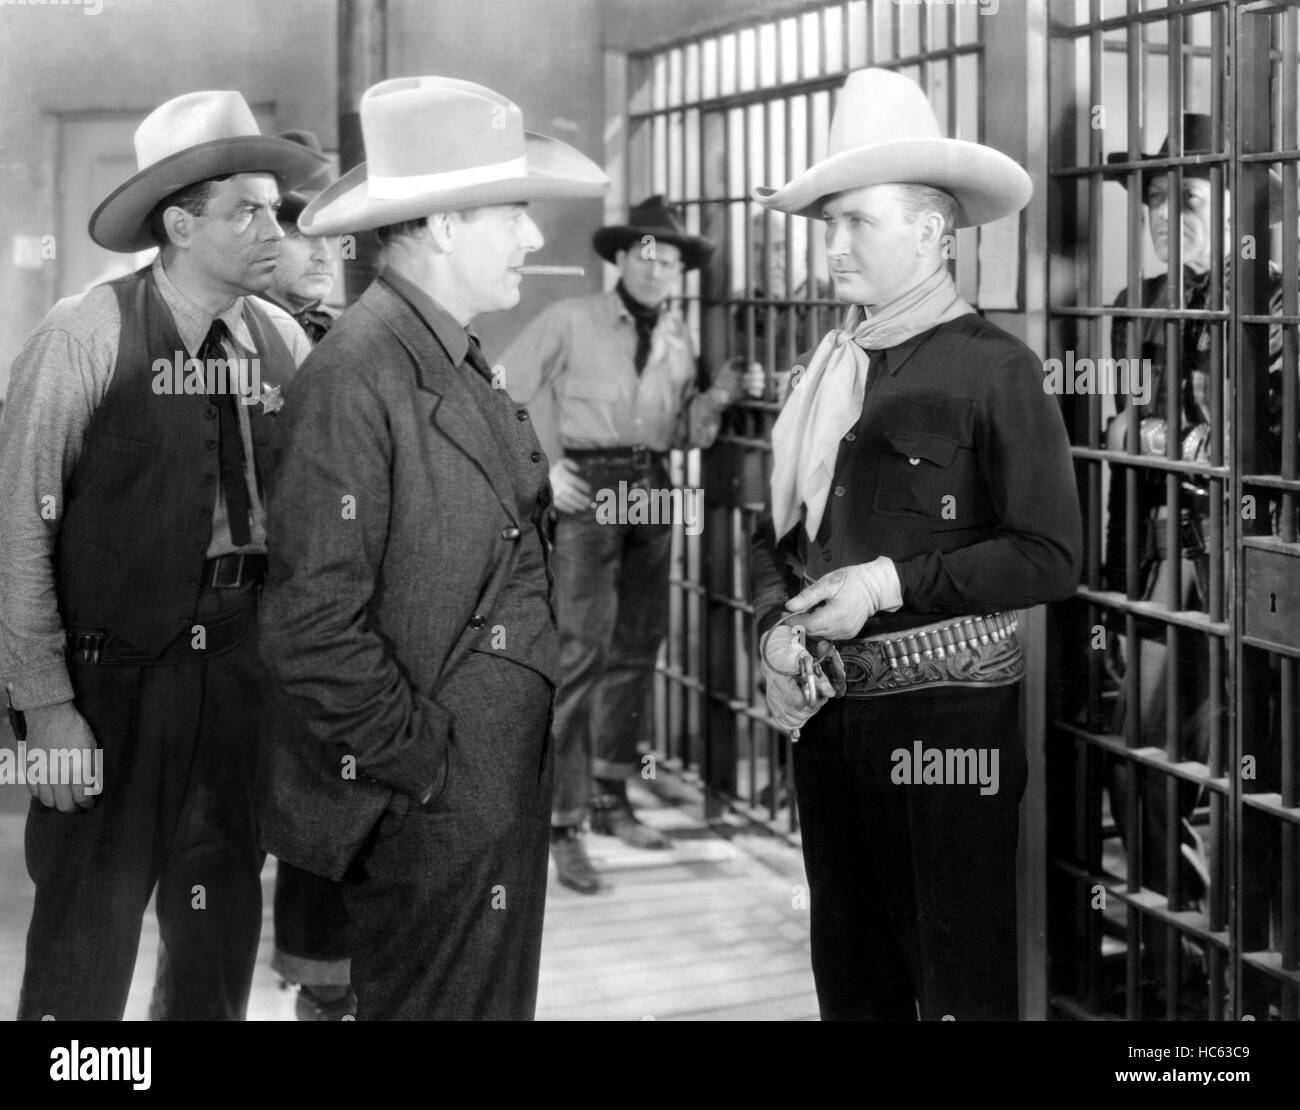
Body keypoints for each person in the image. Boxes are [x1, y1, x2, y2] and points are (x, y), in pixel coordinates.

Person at [255, 75, 609, 1020]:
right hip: (432, 808)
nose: (534, 239)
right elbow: (310, 628)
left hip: (482, 802)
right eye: (514, 213)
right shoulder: (357, 376)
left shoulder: (447, 355)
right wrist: (431, 766)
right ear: (446, 224)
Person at [749, 68, 1082, 1020]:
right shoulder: (831, 365)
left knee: (951, 979)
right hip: (827, 716)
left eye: (860, 222)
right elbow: (781, 537)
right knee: (850, 976)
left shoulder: (997, 370)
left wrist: (889, 581)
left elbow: (1052, 555)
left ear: (933, 233)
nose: (836, 245)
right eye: (830, 223)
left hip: (948, 733)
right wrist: (777, 629)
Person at [0, 90, 326, 1020]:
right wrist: (47, 710)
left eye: (277, 207)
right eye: (248, 211)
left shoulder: (279, 339)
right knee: (84, 939)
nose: (276, 229)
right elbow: (17, 527)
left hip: (237, 677)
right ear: (181, 224)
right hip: (111, 686)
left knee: (217, 932)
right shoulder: (85, 334)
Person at [501, 197, 760, 894]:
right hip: (588, 494)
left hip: (652, 488)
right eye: (645, 255)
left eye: (670, 259)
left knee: (638, 645)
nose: (656, 269)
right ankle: (563, 823)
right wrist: (544, 470)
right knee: (579, 652)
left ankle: (614, 795)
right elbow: (497, 394)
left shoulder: (676, 333)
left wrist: (719, 398)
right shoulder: (570, 319)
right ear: (619, 259)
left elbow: (681, 432)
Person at [1102, 115, 1285, 968]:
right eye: (1156, 199)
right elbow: (1123, 429)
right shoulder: (1133, 307)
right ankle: (1176, 936)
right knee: (1139, 752)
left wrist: (1185, 441)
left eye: (1191, 196)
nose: (1168, 215)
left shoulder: (1276, 297)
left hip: (1257, 570)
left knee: (1255, 771)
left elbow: (1271, 439)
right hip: (1166, 555)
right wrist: (1181, 445)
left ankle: (1247, 953)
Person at [254, 130, 354, 1021]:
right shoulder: (215, 336)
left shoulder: (345, 338)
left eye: (333, 231)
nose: (325, 250)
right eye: (299, 229)